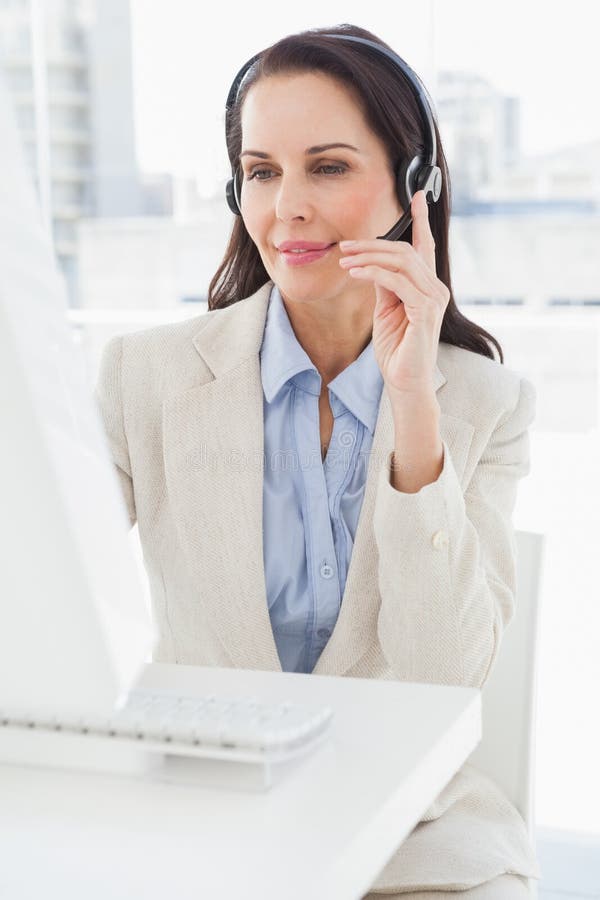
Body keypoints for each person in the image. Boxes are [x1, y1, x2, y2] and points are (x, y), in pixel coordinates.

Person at [95, 23, 540, 899]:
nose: (285, 207)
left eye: (327, 167)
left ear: (415, 186)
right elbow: (42, 597)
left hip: (412, 849)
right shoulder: (143, 378)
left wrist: (414, 406)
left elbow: (441, 676)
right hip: (203, 831)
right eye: (261, 171)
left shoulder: (487, 405)